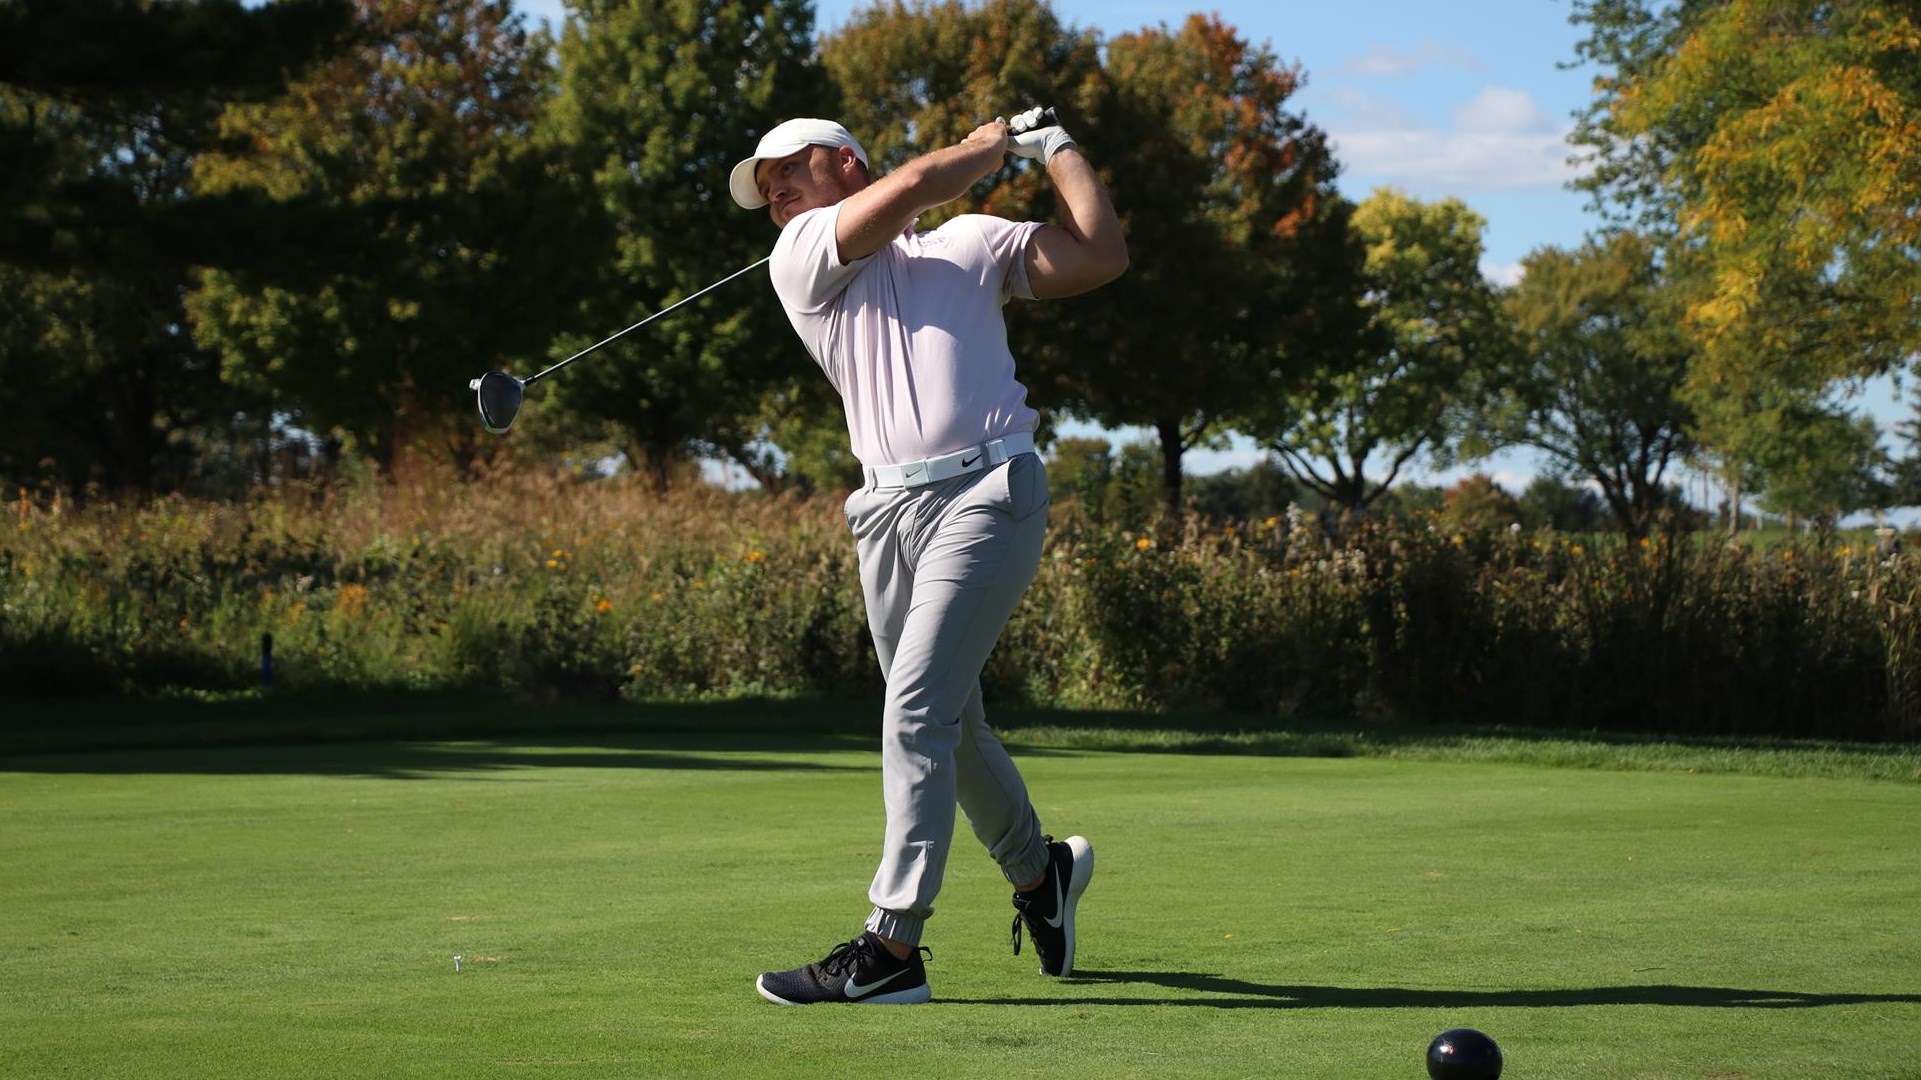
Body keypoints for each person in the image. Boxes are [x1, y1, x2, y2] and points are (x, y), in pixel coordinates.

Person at [728, 106, 1128, 1005]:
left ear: (844, 160)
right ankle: (1041, 875)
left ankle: (893, 947)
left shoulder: (972, 241)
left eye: (787, 169)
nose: (775, 192)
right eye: (764, 186)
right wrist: (987, 145)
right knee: (955, 721)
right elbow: (913, 184)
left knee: (915, 711)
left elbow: (1100, 255)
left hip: (990, 490)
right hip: (884, 512)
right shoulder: (800, 253)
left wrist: (1054, 146)